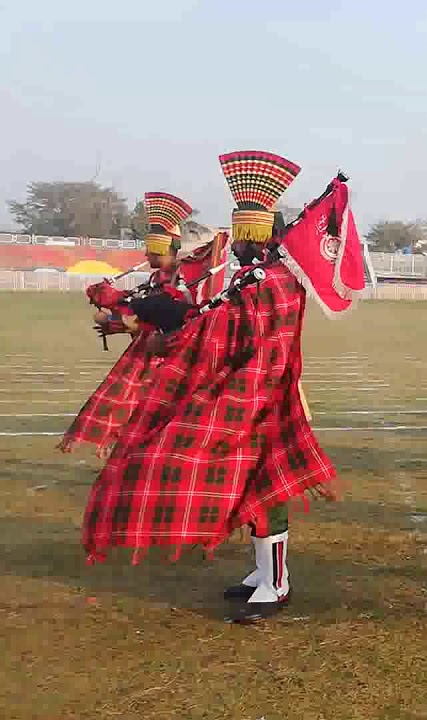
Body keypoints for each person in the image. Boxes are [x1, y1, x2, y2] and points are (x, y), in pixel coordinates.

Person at [80, 151, 340, 625]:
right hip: (239, 390)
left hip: (265, 395)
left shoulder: (274, 282)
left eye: (241, 234)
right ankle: (262, 573)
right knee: (244, 485)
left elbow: (216, 329)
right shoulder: (252, 277)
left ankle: (276, 581)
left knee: (264, 487)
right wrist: (147, 318)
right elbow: (204, 320)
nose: (233, 242)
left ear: (257, 234)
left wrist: (144, 314)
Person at [60, 192, 195, 457]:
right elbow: (139, 314)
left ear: (164, 247)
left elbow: (168, 318)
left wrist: (121, 315)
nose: (146, 253)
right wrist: (117, 320)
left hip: (169, 357)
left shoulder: (184, 277)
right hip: (149, 352)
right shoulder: (157, 277)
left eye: (151, 247)